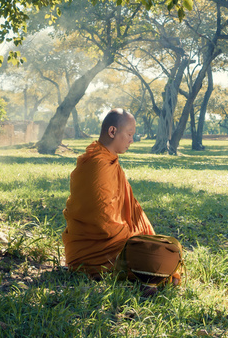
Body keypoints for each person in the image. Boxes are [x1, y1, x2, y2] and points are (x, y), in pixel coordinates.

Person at [62, 108, 159, 278]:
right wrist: (130, 236)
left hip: (109, 242)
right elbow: (102, 221)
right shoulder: (98, 165)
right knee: (157, 260)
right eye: (129, 134)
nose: (132, 140)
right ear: (112, 131)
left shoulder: (108, 160)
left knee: (160, 254)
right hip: (96, 251)